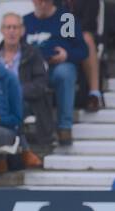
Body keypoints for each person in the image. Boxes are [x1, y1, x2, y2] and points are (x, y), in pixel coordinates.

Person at [25, 0, 87, 146]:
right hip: (32, 71)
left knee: (65, 73)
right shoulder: (26, 21)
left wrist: (67, 55)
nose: (42, 4)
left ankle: (65, 127)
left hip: (57, 67)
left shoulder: (65, 19)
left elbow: (82, 50)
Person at [0, 11, 54, 149]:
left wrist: (16, 92)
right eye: (8, 27)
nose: (12, 31)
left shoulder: (33, 54)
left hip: (26, 101)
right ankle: (19, 147)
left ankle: (12, 148)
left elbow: (40, 84)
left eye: (15, 27)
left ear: (22, 31)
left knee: (13, 108)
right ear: (2, 30)